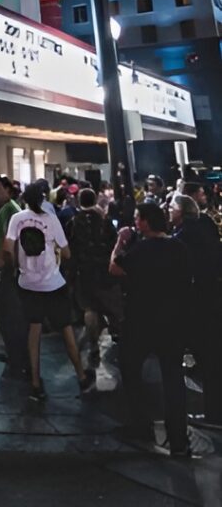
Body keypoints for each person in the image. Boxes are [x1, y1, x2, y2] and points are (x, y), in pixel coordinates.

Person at [110, 201, 195, 456]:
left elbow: (114, 268)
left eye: (138, 218)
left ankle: (141, 423)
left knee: (130, 367)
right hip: (173, 322)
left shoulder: (139, 250)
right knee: (173, 378)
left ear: (146, 222)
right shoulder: (179, 248)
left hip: (142, 321)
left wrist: (120, 243)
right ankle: (179, 438)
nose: (135, 222)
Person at [4, 184, 95, 401]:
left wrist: (18, 268)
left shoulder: (17, 219)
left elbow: (7, 249)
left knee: (33, 333)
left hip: (27, 284)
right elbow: (67, 252)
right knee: (66, 330)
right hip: (53, 283)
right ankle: (81, 377)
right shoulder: (51, 219)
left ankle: (36, 384)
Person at [169, 194, 222, 432]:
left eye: (171, 208)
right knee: (213, 358)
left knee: (206, 357)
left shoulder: (181, 239)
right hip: (214, 298)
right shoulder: (208, 227)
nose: (169, 211)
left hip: (195, 304)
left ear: (180, 212)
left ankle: (212, 415)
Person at [67, 187, 117, 366]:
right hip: (103, 269)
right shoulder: (104, 220)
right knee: (108, 303)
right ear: (95, 199)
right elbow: (114, 242)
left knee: (89, 308)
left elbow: (69, 248)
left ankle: (93, 345)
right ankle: (115, 335)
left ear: (79, 201)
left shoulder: (74, 222)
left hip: (84, 270)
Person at [0, 175, 26, 376]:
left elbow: (9, 241)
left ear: (6, 189)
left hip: (8, 271)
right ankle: (15, 354)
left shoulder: (10, 211)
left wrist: (7, 267)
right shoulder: (7, 209)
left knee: (9, 315)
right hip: (7, 269)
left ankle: (17, 357)